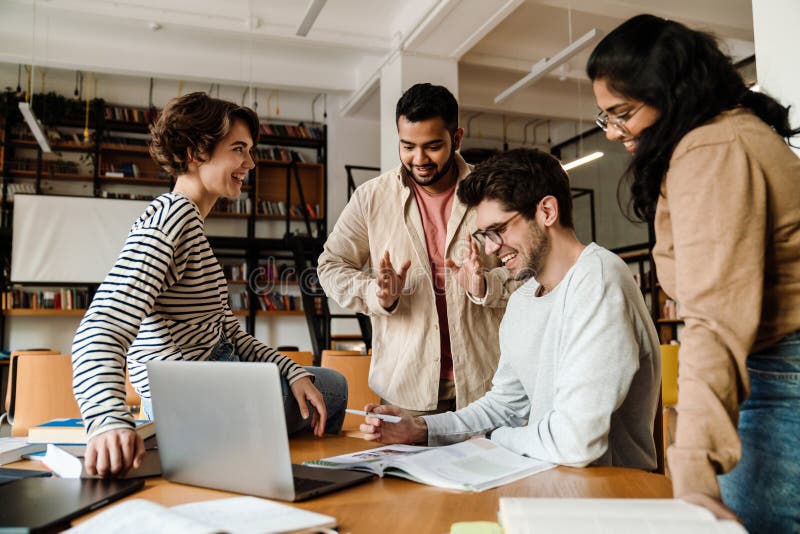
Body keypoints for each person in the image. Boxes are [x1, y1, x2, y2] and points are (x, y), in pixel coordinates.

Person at [587, 14, 800, 531]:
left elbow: (714, 320)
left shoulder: (711, 151)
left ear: (671, 92)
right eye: (605, 119)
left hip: (780, 375)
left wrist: (693, 464)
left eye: (623, 113)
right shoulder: (727, 136)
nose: (615, 132)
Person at [71, 92, 347, 478]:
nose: (250, 163)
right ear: (193, 152)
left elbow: (229, 334)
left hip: (215, 385)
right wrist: (107, 419)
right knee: (333, 388)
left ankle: (259, 459)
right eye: (238, 149)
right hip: (199, 403)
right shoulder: (169, 222)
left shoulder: (190, 226)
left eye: (249, 150)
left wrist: (291, 370)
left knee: (315, 381)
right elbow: (99, 328)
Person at [360, 148, 661, 472]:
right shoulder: (523, 298)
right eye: (484, 235)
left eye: (498, 230)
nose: (490, 248)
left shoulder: (598, 281)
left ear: (546, 211)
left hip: (607, 501)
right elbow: (505, 406)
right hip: (547, 482)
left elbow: (576, 441)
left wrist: (494, 439)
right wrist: (421, 429)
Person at [317, 83, 513, 415]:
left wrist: (486, 286)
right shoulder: (371, 198)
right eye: (407, 146)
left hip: (486, 388)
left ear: (458, 138)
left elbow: (529, 273)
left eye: (433, 146)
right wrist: (376, 294)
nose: (418, 159)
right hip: (405, 391)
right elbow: (330, 266)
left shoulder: (493, 192)